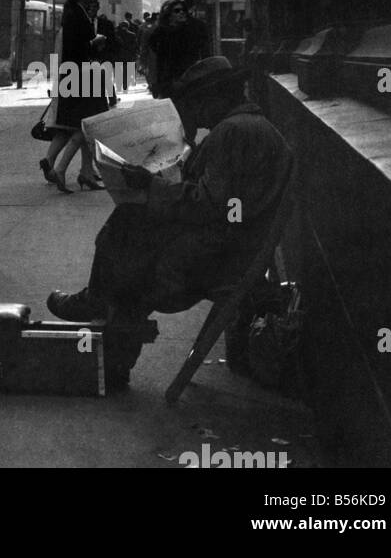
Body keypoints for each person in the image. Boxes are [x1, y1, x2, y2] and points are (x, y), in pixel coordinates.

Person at [46, 56, 292, 389]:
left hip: (217, 254)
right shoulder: (247, 127)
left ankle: (100, 307)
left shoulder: (233, 132)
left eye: (197, 104)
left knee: (128, 260)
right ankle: (100, 305)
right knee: (128, 233)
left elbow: (210, 206)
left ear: (217, 98)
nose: (194, 112)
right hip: (233, 244)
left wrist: (152, 186)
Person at [41, 0, 110, 193]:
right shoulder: (76, 16)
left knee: (83, 125)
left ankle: (84, 172)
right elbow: (78, 50)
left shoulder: (73, 12)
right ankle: (62, 169)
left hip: (80, 77)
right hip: (83, 77)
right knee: (88, 125)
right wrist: (95, 42)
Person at [147, 0, 210, 98]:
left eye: (184, 10)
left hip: (191, 75)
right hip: (169, 78)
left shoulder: (194, 29)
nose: (182, 12)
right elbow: (156, 58)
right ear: (169, 14)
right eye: (177, 10)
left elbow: (204, 51)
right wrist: (155, 82)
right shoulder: (160, 32)